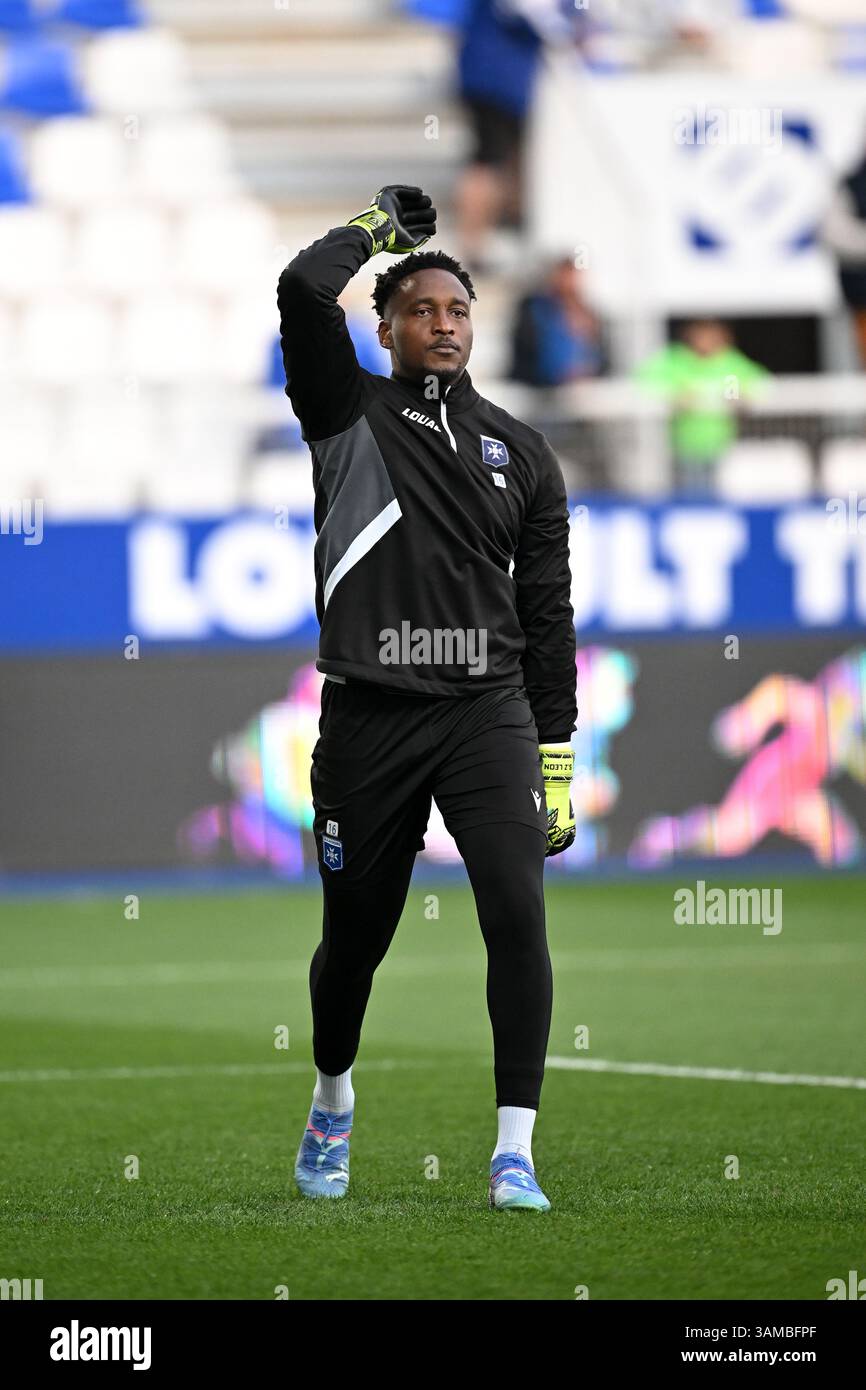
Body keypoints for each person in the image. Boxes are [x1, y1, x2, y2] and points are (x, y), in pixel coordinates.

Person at [277, 184, 577, 1212]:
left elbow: (545, 613)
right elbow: (298, 288)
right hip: (368, 714)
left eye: (456, 310)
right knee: (354, 941)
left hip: (483, 711)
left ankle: (513, 1152)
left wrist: (556, 753)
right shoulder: (343, 409)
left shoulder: (522, 452)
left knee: (516, 911)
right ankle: (331, 1094)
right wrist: (378, 231)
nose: (441, 324)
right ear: (387, 326)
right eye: (419, 309)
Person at [636, 319, 768, 492]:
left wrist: (739, 399)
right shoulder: (678, 362)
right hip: (684, 444)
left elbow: (753, 385)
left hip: (721, 444)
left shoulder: (729, 364)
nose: (705, 341)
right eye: (701, 336)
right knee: (690, 491)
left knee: (721, 490)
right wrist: (674, 396)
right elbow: (644, 381)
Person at [509, 256, 606, 387]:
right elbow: (530, 353)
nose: (569, 282)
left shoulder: (587, 313)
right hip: (541, 387)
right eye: (565, 276)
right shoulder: (536, 308)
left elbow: (600, 357)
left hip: (580, 386)